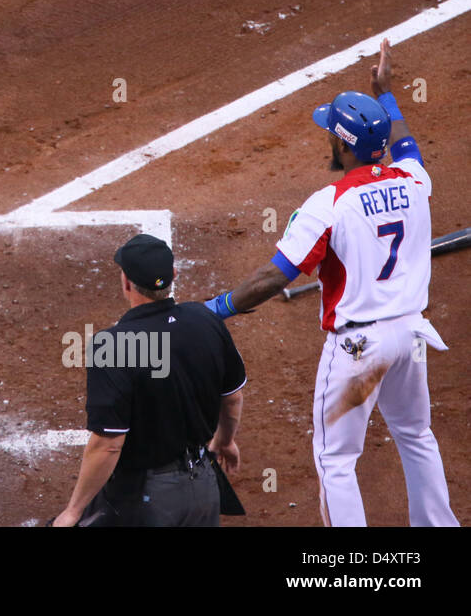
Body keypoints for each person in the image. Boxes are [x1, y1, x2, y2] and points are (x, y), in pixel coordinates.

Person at [205, 39, 458, 527]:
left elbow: (274, 276)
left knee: (336, 459)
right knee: (417, 436)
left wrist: (216, 309)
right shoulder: (414, 179)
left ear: (342, 144)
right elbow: (407, 144)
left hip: (358, 347)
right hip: (411, 335)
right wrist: (386, 96)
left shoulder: (329, 203)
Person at [53, 234, 246, 527]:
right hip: (205, 487)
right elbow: (232, 398)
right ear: (173, 275)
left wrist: (73, 511)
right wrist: (225, 440)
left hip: (149, 502)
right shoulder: (206, 320)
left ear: (126, 283)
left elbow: (108, 444)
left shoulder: (114, 345)